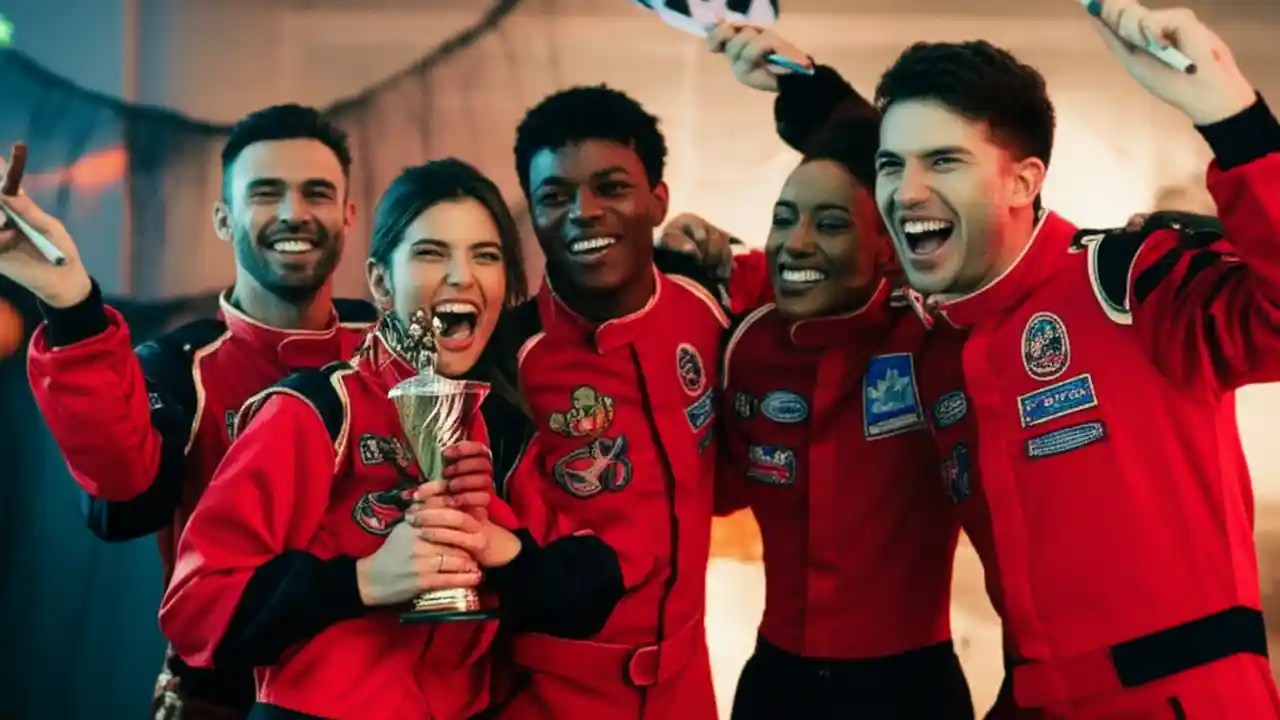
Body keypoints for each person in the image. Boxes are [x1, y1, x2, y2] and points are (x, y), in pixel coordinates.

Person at [711, 2, 1280, 715]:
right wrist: (808, 91)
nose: (907, 190)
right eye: (892, 166)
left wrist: (1232, 116)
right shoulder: (935, 343)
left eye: (944, 161)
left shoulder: (1129, 284)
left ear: (1023, 180)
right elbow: (822, 275)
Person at [158, 159, 627, 720]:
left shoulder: (497, 429)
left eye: (486, 255)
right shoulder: (316, 412)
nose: (462, 276)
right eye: (432, 253)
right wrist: (359, 580)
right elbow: (196, 607)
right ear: (381, 281)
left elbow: (591, 585)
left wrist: (503, 549)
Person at [0, 104, 376, 719]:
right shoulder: (180, 364)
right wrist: (69, 303)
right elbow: (123, 498)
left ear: (348, 215)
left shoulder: (392, 346)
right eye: (265, 193)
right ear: (223, 220)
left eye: (317, 192)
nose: (293, 213)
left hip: (390, 692)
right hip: (223, 700)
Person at [489, 84, 771, 720]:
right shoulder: (506, 358)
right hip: (547, 697)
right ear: (530, 215)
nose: (582, 212)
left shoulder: (707, 309)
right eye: (554, 196)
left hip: (687, 689)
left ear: (657, 200)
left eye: (610, 187)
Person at [715, 115, 975, 718]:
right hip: (779, 682)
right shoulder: (748, 347)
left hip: (913, 686)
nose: (795, 242)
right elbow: (721, 491)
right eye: (784, 219)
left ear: (888, 245)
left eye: (830, 224)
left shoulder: (935, 336)